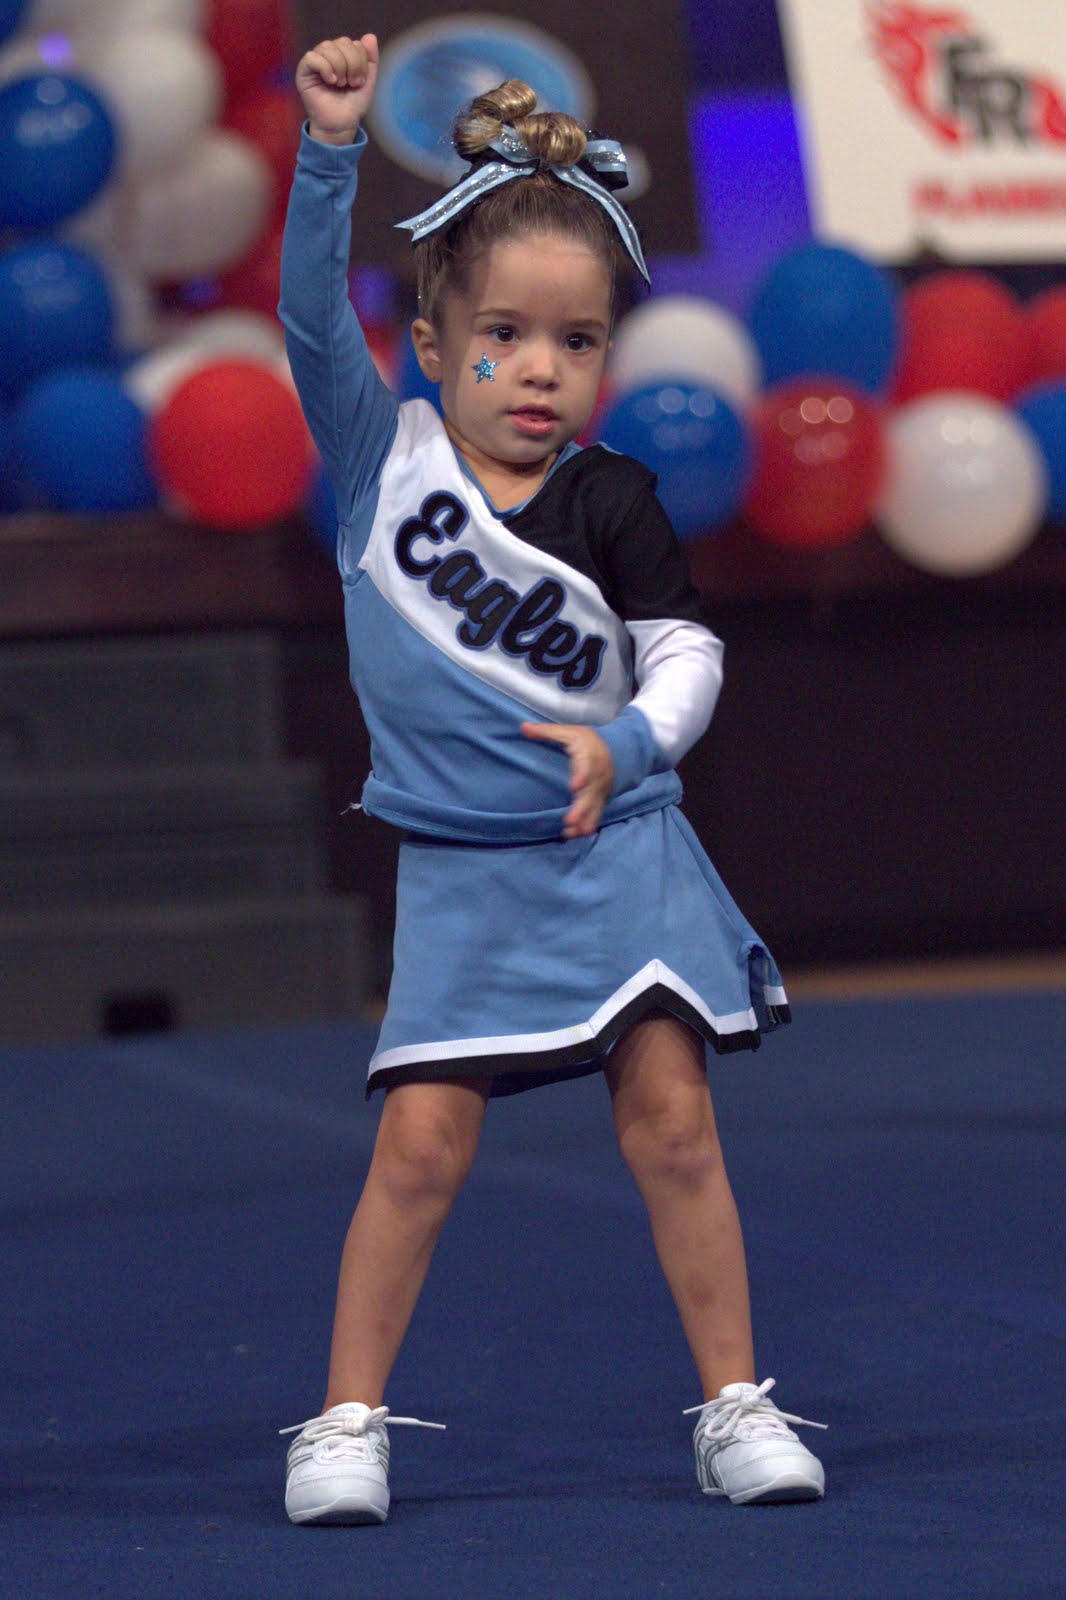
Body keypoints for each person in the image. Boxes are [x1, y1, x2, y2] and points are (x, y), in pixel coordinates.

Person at [277, 31, 827, 1526]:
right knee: (418, 1145)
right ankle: (342, 1422)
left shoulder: (615, 497)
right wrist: (331, 150)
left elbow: (684, 661)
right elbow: (305, 313)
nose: (539, 368)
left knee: (670, 1117)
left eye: (576, 342)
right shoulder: (375, 460)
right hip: (463, 869)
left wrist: (628, 742)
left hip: (619, 850)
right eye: (505, 336)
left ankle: (732, 1406)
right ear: (435, 344)